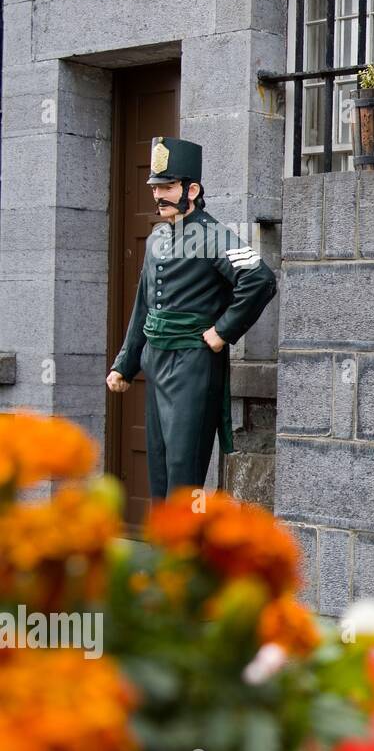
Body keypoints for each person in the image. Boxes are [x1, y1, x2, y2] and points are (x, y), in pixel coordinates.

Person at [106, 137, 277, 499]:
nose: (158, 196)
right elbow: (144, 307)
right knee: (160, 464)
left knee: (186, 468)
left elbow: (260, 278)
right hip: (156, 359)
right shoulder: (156, 238)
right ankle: (164, 550)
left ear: (192, 189)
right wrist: (125, 364)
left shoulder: (213, 234)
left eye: (167, 187)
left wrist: (222, 332)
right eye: (155, 187)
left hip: (193, 363)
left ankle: (187, 547)